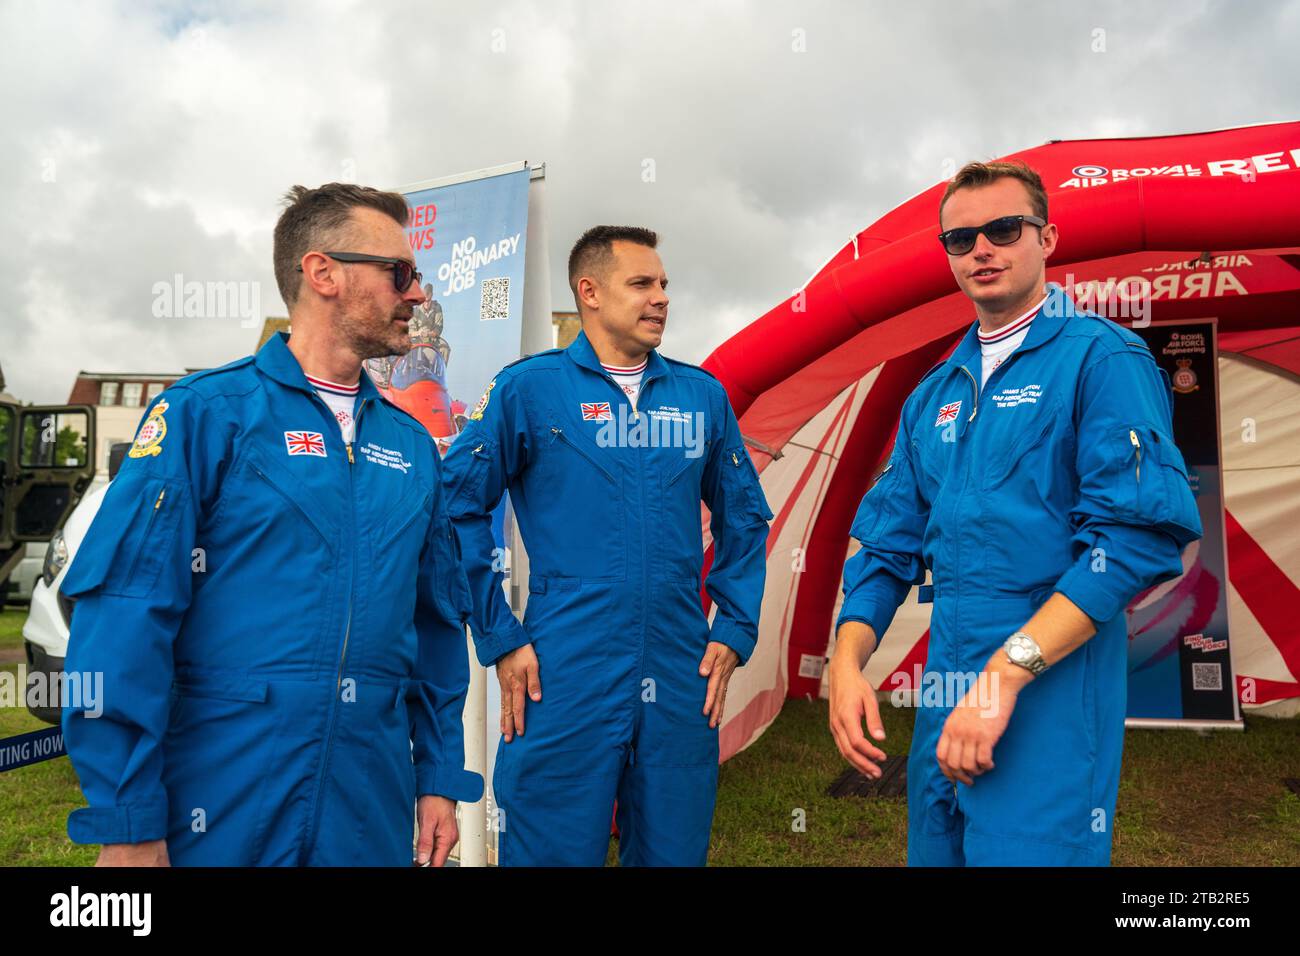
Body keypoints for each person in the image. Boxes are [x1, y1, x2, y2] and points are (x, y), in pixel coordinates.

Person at [61, 182, 483, 866]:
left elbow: (436, 625)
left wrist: (436, 778)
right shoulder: (207, 415)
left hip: (366, 807)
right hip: (222, 797)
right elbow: (125, 617)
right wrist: (127, 819)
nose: (417, 295)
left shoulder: (412, 447)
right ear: (323, 274)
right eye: (399, 273)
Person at [828, 161, 1202, 866]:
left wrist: (1005, 676)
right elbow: (885, 547)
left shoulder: (1102, 358)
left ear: (1048, 238)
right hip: (947, 691)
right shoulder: (932, 391)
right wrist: (846, 665)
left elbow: (1132, 540)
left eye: (1003, 229)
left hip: (1050, 692)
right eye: (961, 238)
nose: (982, 250)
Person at [441, 226, 772, 866]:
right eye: (642, 284)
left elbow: (745, 517)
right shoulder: (529, 390)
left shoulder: (699, 396)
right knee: (550, 850)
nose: (661, 299)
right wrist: (500, 636)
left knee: (673, 851)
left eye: (665, 285)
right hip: (562, 670)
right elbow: (456, 506)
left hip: (679, 670)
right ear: (589, 292)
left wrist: (733, 627)